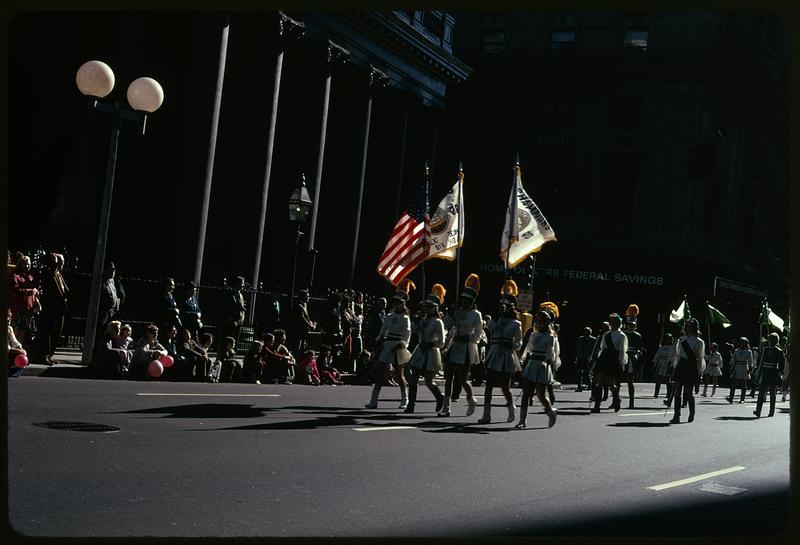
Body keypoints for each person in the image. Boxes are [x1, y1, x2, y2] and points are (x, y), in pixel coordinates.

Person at [478, 280, 523, 425]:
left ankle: (511, 408)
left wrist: (511, 344)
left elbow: (519, 343)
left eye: (507, 307)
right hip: (494, 353)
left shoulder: (516, 324)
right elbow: (490, 329)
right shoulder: (496, 320)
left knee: (505, 386)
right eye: (502, 306)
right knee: (489, 385)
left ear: (512, 308)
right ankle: (486, 415)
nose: (504, 309)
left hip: (507, 355)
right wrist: (497, 318)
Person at [365, 279, 413, 409]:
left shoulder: (405, 318)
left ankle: (405, 398)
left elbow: (407, 334)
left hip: (398, 346)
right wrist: (377, 340)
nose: (394, 303)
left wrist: (402, 345)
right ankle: (374, 400)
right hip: (387, 344)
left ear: (402, 303)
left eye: (397, 302)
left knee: (398, 374)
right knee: (380, 371)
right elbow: (383, 330)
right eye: (394, 301)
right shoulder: (390, 315)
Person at [441, 274, 482, 417]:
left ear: (472, 301)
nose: (465, 302)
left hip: (467, 348)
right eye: (464, 299)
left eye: (468, 300)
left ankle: (471, 399)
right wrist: (450, 314)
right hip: (455, 345)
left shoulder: (476, 314)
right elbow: (446, 326)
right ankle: (446, 407)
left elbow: (478, 334)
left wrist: (467, 337)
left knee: (463, 379)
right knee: (448, 377)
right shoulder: (457, 311)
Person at [404, 284, 446, 414]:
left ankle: (440, 397)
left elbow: (441, 341)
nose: (427, 309)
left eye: (429, 307)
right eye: (426, 306)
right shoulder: (422, 319)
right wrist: (417, 320)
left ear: (435, 308)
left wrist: (432, 344)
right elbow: (415, 331)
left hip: (431, 353)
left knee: (428, 381)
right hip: (420, 351)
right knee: (413, 378)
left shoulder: (438, 322)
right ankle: (411, 404)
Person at [517, 303, 559, 428]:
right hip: (532, 364)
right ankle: (522, 420)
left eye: (541, 320)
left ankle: (550, 412)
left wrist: (546, 362)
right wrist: (523, 361)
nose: (538, 321)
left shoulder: (550, 337)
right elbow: (527, 350)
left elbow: (551, 353)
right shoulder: (533, 334)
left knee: (540, 394)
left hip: (542, 366)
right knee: (526, 393)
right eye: (538, 319)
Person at [669, 318, 705, 424]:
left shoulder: (699, 342)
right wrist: (673, 367)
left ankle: (691, 413)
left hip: (691, 366)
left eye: (690, 326)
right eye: (686, 326)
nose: (688, 328)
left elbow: (700, 357)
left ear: (695, 328)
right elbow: (677, 355)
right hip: (681, 366)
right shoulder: (680, 340)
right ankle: (676, 415)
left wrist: (700, 373)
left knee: (689, 393)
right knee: (677, 392)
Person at [35, 253, 69, 365]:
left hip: (60, 308)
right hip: (51, 308)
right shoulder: (50, 273)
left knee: (56, 333)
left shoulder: (59, 275)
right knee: (48, 332)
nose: (62, 265)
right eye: (60, 262)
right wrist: (54, 262)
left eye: (62, 262)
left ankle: (50, 355)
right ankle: (43, 355)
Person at [590, 314, 627, 413]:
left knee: (610, 383)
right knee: (599, 381)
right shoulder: (606, 335)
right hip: (604, 358)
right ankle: (597, 405)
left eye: (615, 322)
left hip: (613, 359)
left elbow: (622, 351)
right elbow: (602, 347)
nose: (613, 324)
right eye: (612, 322)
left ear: (619, 324)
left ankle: (617, 400)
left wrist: (622, 363)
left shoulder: (622, 336)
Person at [8, 253, 39, 349]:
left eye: (29, 264)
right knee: (14, 333)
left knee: (23, 331)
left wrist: (36, 291)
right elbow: (14, 290)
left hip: (27, 309)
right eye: (25, 264)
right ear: (20, 264)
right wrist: (29, 290)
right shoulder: (14, 275)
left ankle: (18, 352)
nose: (28, 266)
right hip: (17, 308)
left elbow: (33, 291)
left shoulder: (30, 277)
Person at [753, 332, 786, 418]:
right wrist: (757, 372)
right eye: (770, 339)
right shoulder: (764, 350)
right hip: (764, 372)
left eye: (774, 339)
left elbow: (781, 364)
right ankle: (758, 411)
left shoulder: (779, 351)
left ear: (776, 341)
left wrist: (779, 374)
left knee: (772, 393)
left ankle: (771, 412)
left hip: (773, 372)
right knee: (761, 392)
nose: (772, 341)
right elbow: (759, 362)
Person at [621, 305, 645, 408]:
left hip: (631, 358)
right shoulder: (623, 334)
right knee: (616, 380)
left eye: (632, 325)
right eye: (629, 324)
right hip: (622, 356)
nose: (631, 326)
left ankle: (631, 402)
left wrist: (637, 354)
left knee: (630, 381)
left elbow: (641, 348)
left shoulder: (637, 335)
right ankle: (615, 401)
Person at [217, 276, 246, 353]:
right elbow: (225, 306)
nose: (243, 285)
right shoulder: (229, 294)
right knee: (228, 338)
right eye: (242, 283)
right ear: (237, 284)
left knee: (235, 339)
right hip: (231, 320)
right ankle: (224, 353)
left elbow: (242, 308)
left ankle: (231, 353)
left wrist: (242, 318)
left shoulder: (241, 295)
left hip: (239, 320)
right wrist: (228, 317)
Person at [726, 337, 754, 404]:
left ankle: (742, 399)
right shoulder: (736, 351)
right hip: (737, 367)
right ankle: (731, 398)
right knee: (734, 384)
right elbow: (733, 360)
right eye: (741, 342)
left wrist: (750, 368)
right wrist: (731, 367)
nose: (742, 344)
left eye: (743, 343)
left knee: (743, 384)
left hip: (744, 367)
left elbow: (750, 361)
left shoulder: (748, 352)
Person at [588, 321, 611, 402]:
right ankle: (593, 395)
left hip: (606, 358)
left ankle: (605, 395)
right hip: (598, 358)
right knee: (595, 378)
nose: (603, 329)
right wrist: (592, 357)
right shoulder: (599, 337)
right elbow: (595, 348)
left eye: (605, 327)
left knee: (604, 379)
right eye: (603, 327)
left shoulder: (609, 336)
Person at [289, 289, 315, 354]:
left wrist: (310, 322)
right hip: (298, 332)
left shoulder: (304, 305)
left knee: (302, 349)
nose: (308, 298)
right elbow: (302, 318)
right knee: (296, 349)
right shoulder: (299, 306)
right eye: (307, 296)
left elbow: (306, 317)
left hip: (303, 332)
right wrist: (310, 325)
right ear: (303, 297)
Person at [573, 326, 595, 392]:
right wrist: (576, 357)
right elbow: (577, 348)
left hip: (588, 358)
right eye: (585, 331)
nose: (586, 332)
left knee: (587, 372)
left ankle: (589, 385)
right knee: (579, 373)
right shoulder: (580, 338)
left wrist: (592, 357)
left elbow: (594, 349)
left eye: (588, 331)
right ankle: (579, 386)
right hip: (580, 357)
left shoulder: (593, 339)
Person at [653, 333, 675, 400]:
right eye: (666, 339)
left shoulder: (673, 348)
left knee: (668, 380)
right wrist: (655, 363)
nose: (667, 341)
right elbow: (657, 356)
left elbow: (672, 357)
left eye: (668, 339)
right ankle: (656, 393)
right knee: (658, 380)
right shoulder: (661, 348)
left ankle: (668, 394)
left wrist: (671, 365)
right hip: (660, 364)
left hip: (667, 364)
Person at [8, 308, 28, 377]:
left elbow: (14, 341)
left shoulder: (9, 328)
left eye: (9, 318)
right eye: (6, 318)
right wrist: (17, 351)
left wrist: (19, 348)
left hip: (8, 351)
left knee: (23, 353)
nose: (8, 320)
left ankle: (12, 371)